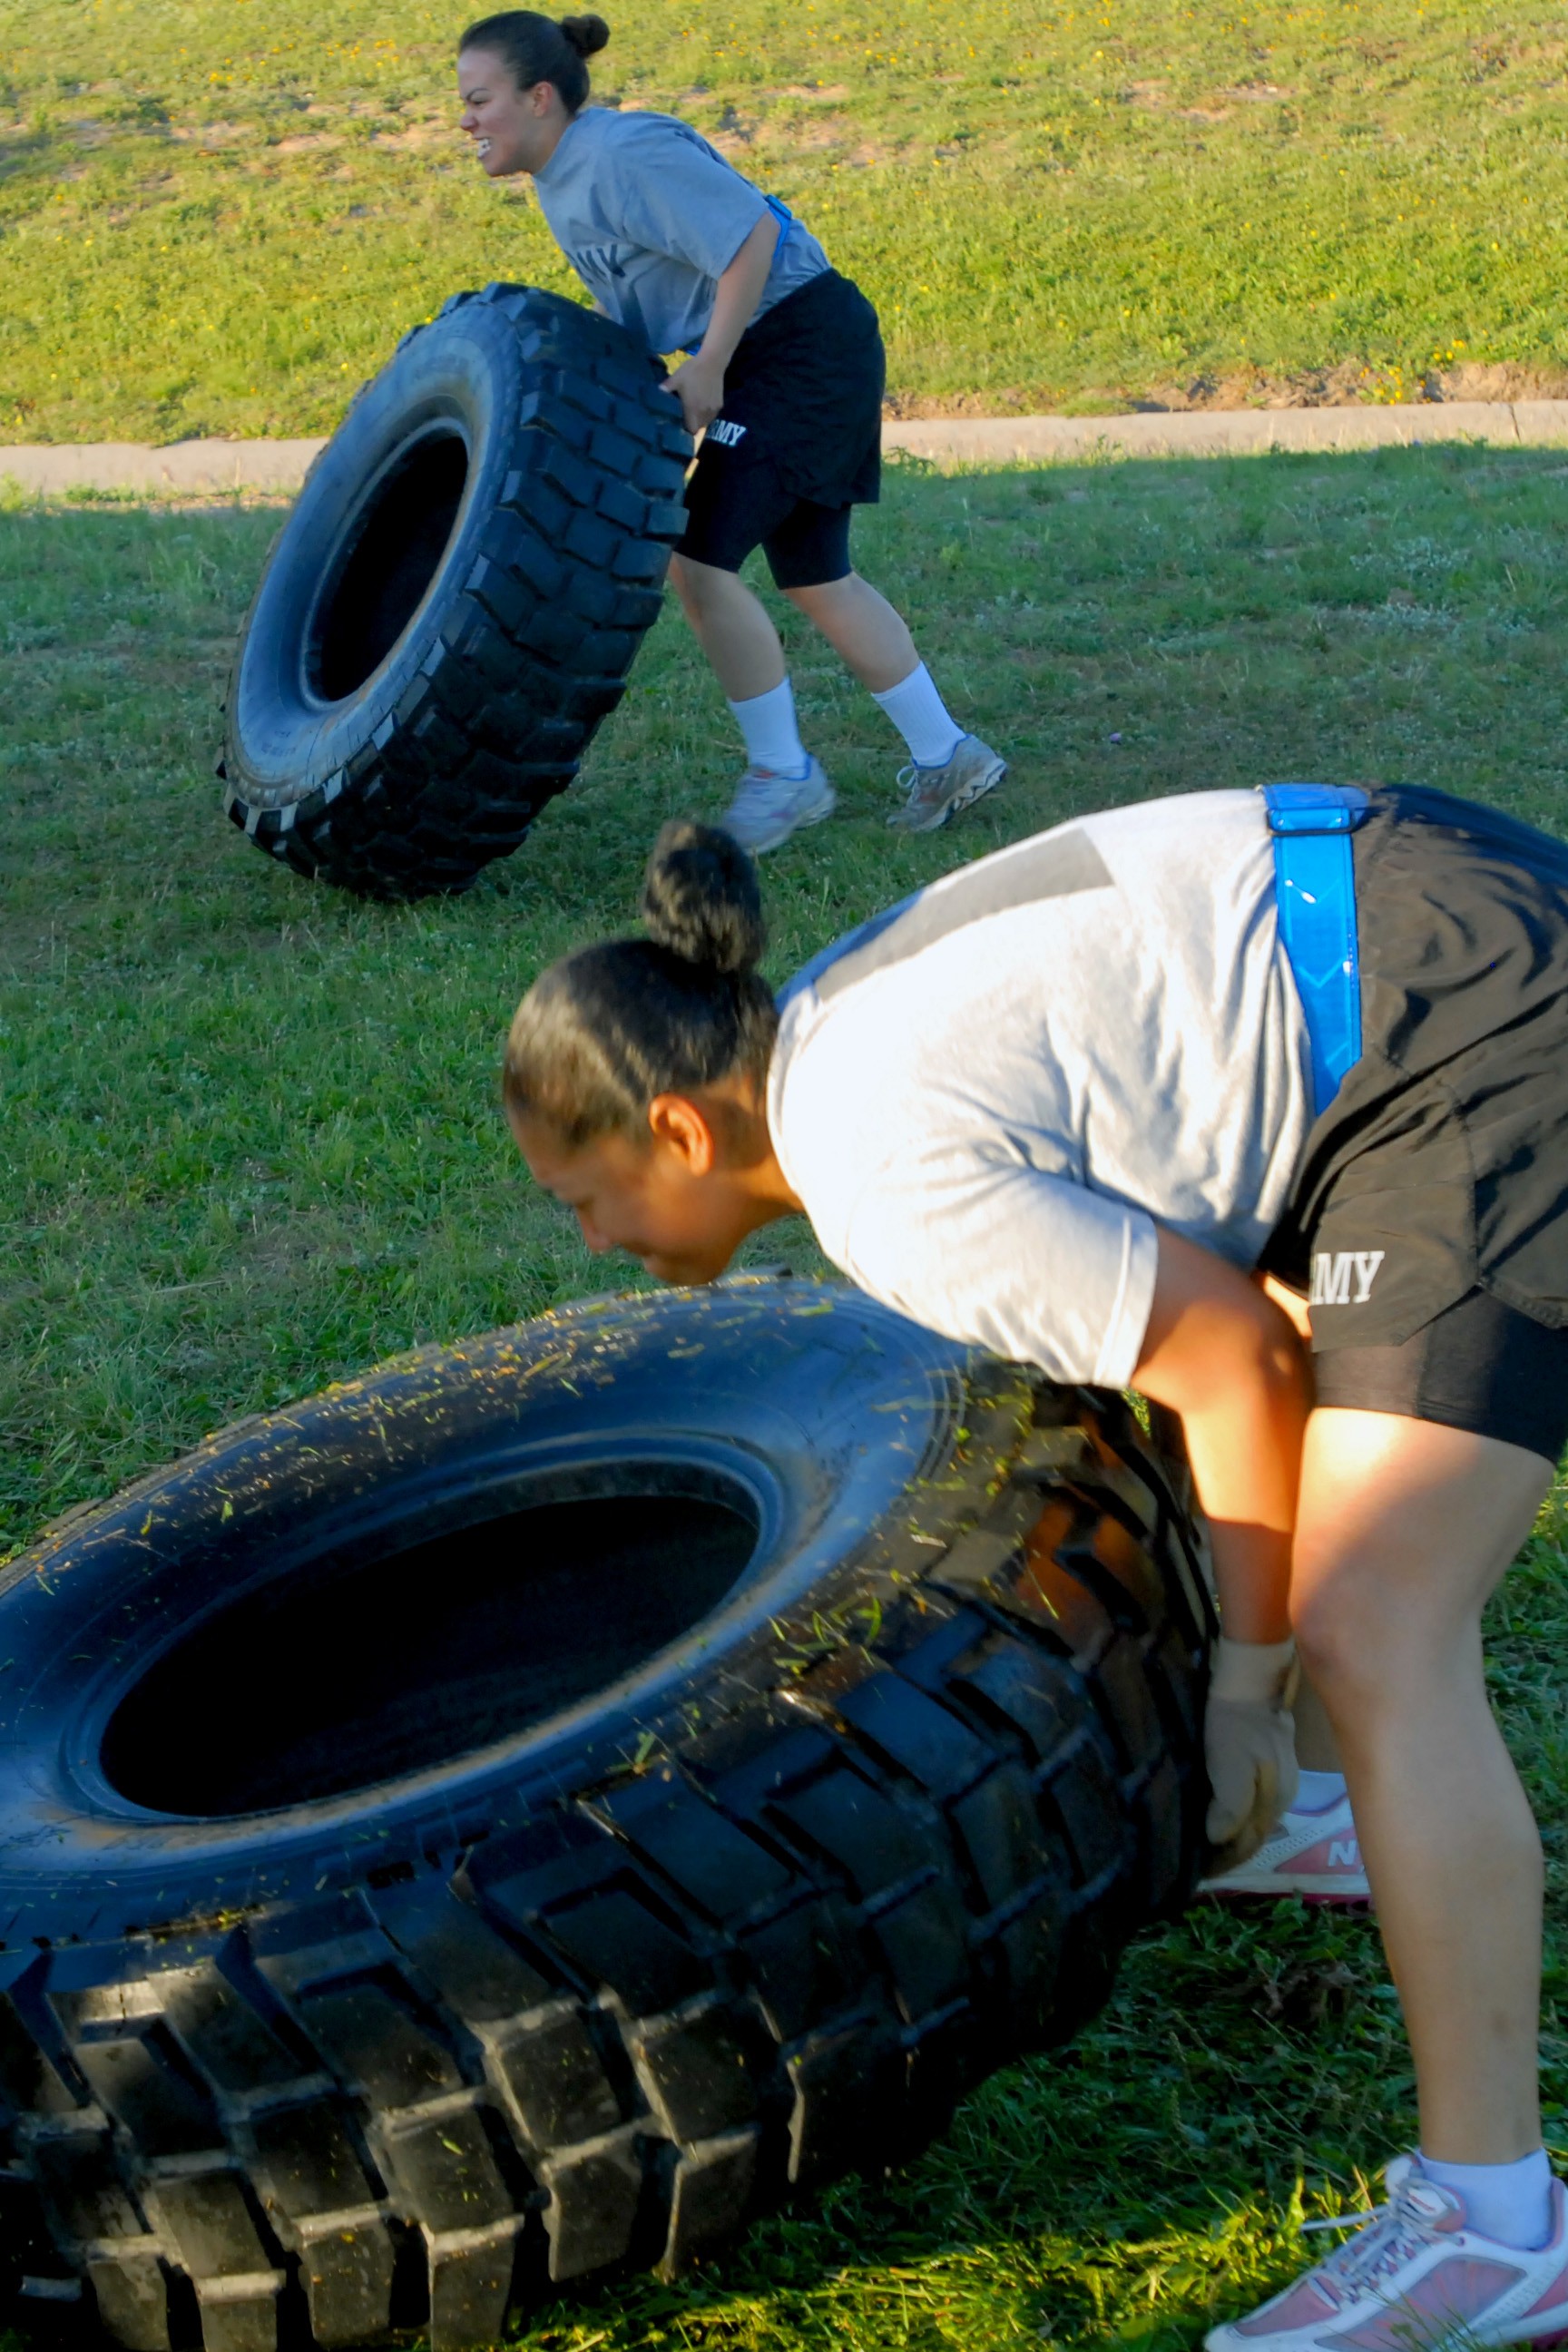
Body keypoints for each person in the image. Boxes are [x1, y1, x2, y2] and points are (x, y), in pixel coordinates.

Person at [502, 788, 1568, 2350]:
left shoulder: (877, 1175)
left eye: (580, 1197)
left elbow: (1231, 1364)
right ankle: (1347, 1824)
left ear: (675, 1129)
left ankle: (1495, 2229)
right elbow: (1223, 1298)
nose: (589, 1239)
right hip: (1409, 924)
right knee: (1353, 1549)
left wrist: (1245, 1696)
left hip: (1464, 1019)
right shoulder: (821, 1042)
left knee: (1371, 1616)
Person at [456, 11, 1005, 851]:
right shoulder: (560, 182)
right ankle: (949, 755)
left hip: (800, 343)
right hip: (778, 352)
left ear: (538, 98)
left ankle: (784, 778)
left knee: (700, 561)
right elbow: (636, 317)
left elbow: (753, 233)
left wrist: (710, 363)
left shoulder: (618, 154)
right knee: (818, 575)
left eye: (478, 99)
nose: (466, 120)